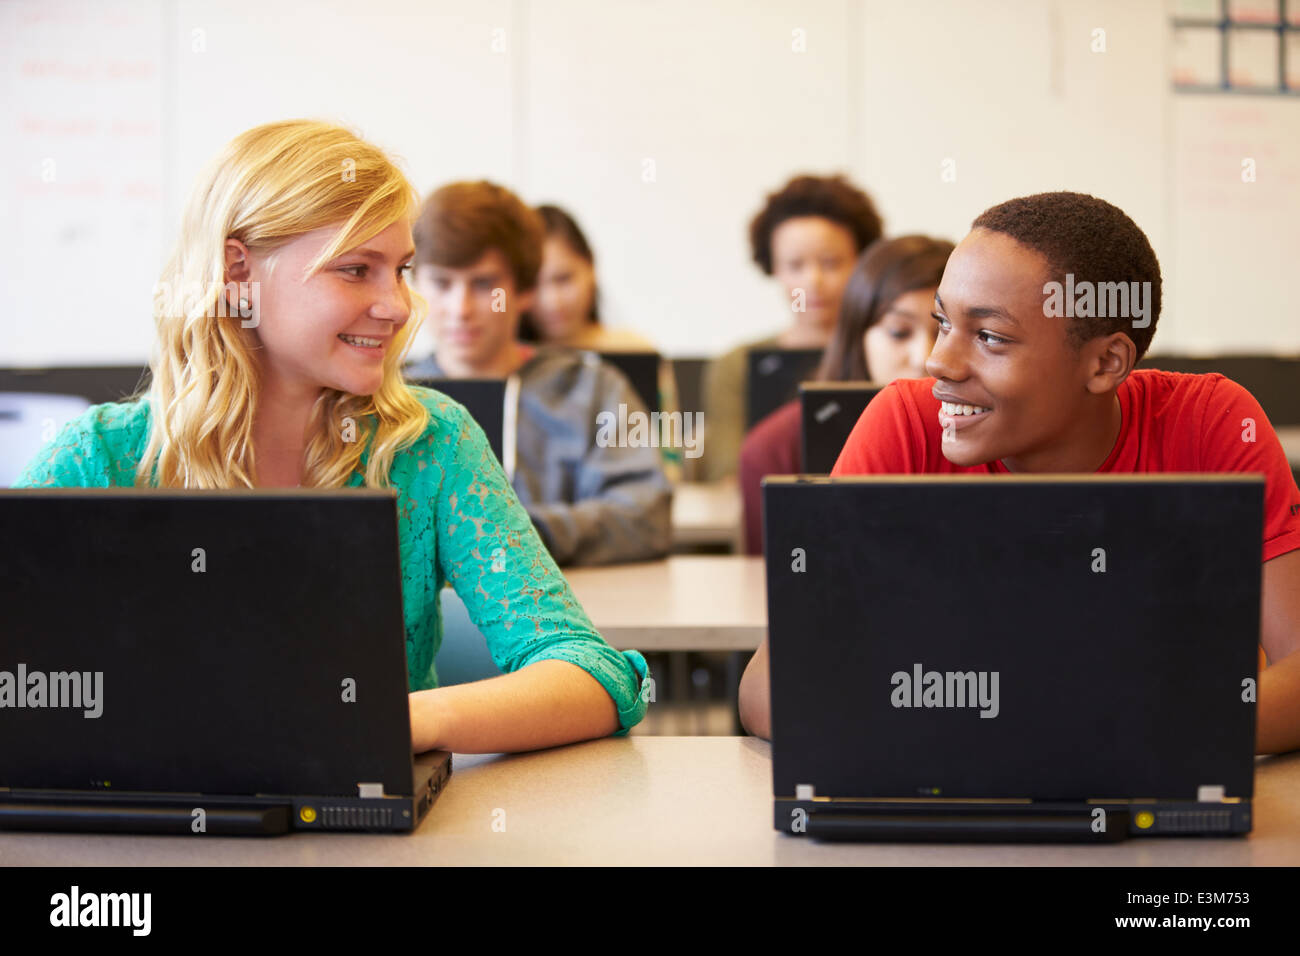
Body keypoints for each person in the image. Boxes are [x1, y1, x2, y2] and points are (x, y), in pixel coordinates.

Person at [14, 120, 649, 754]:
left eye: (400, 270)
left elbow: (592, 674)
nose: (398, 306)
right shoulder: (98, 458)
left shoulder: (429, 444)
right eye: (355, 270)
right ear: (239, 272)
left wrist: (401, 721)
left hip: (366, 838)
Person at [738, 191, 1300, 753]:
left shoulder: (1211, 424)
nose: (938, 362)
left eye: (990, 337)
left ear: (1106, 363)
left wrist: (1113, 735)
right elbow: (768, 688)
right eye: (942, 324)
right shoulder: (906, 424)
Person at [404, 181, 672, 565]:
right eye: (441, 283)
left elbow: (646, 515)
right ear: (414, 284)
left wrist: (518, 534)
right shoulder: (392, 395)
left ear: (525, 290)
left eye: (484, 285)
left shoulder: (593, 388)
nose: (459, 308)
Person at [738, 235, 952, 554]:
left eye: (944, 329)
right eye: (898, 332)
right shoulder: (774, 448)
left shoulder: (996, 434)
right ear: (856, 334)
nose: (925, 357)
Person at [701, 174, 883, 482]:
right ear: (773, 268)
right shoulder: (736, 365)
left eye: (830, 263)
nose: (813, 281)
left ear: (862, 262)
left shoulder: (892, 351)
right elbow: (727, 476)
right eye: (795, 265)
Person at [523, 203, 683, 478]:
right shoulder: (510, 359)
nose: (553, 301)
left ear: (591, 268)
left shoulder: (635, 350)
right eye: (536, 284)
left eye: (564, 279)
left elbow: (669, 458)